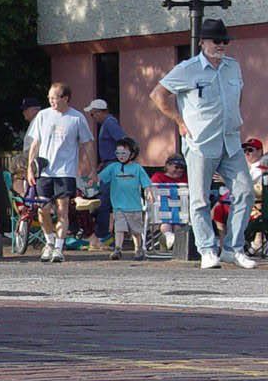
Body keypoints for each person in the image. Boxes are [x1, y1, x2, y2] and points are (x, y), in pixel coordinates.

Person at [151, 19, 256, 270]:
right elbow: (158, 94)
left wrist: (233, 117)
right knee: (199, 199)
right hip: (200, 142)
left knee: (245, 191)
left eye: (224, 41)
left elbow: (237, 95)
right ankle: (207, 250)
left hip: (230, 141)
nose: (220, 45)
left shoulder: (233, 67)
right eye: (216, 41)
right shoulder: (188, 69)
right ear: (203, 42)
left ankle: (233, 248)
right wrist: (178, 120)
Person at [25, 81, 96, 263]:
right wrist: (30, 168)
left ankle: (58, 247)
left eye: (54, 98)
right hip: (45, 171)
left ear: (65, 98)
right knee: (43, 209)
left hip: (65, 171)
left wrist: (92, 168)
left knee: (62, 210)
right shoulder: (43, 116)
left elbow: (87, 143)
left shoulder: (76, 118)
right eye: (49, 98)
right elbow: (35, 143)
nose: (51, 101)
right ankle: (49, 242)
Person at [97, 137, 153, 259]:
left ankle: (138, 249)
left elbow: (146, 183)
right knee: (119, 228)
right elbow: (100, 177)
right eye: (118, 153)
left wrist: (149, 192)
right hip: (118, 206)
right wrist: (92, 180)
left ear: (132, 154)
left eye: (124, 153)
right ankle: (118, 249)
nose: (120, 156)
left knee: (136, 231)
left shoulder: (137, 168)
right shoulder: (113, 167)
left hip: (134, 206)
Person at [84, 98, 124, 246]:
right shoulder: (107, 124)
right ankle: (105, 234)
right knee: (105, 200)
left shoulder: (110, 123)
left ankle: (103, 235)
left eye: (93, 114)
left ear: (100, 112)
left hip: (112, 165)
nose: (93, 117)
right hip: (108, 164)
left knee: (104, 200)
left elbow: (122, 140)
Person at [150, 155, 188, 251]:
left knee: (177, 222)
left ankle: (175, 245)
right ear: (167, 166)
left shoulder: (186, 179)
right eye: (176, 167)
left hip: (181, 210)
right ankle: (169, 237)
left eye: (182, 168)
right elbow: (152, 193)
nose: (179, 170)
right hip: (163, 209)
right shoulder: (158, 177)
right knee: (166, 220)